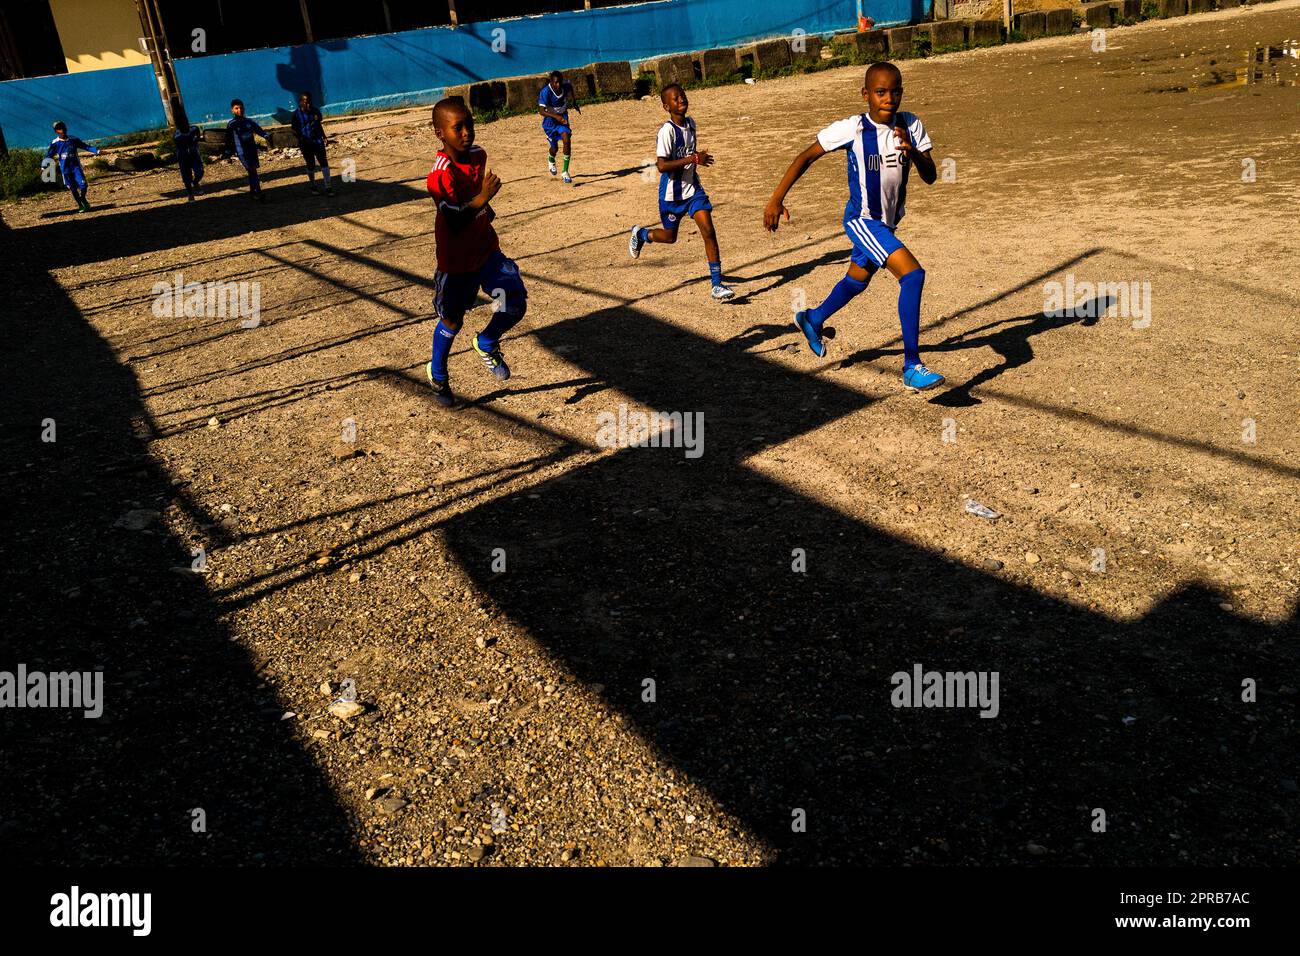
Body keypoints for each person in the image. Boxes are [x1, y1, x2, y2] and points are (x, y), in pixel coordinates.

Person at [763, 62, 945, 391]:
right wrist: (776, 199)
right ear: (866, 95)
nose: (889, 98)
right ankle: (912, 365)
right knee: (913, 275)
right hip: (862, 221)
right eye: (880, 92)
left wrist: (913, 150)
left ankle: (812, 318)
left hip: (888, 223)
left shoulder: (911, 124)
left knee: (856, 280)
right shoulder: (853, 129)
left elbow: (931, 176)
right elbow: (806, 156)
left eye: (895, 91)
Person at [424, 98, 528, 408]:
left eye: (470, 124)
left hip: (486, 252)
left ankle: (486, 341)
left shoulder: (478, 155)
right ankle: (438, 375)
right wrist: (483, 198)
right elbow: (454, 219)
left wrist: (487, 208)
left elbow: (476, 198)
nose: (467, 132)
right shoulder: (439, 173)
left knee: (514, 302)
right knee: (452, 322)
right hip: (456, 264)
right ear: (440, 133)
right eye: (458, 127)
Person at [627, 84, 735, 301]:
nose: (681, 100)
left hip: (693, 191)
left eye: (683, 96)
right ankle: (640, 234)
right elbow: (661, 166)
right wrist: (693, 159)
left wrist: (697, 157)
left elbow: (687, 153)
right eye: (676, 99)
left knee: (708, 230)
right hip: (671, 197)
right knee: (670, 237)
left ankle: (716, 285)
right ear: (667, 106)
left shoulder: (691, 124)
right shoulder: (666, 131)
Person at [43, 122, 98, 212]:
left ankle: (83, 198)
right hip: (65, 170)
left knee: (83, 185)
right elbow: (49, 155)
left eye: (63, 127)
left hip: (76, 167)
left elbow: (85, 146)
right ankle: (80, 205)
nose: (62, 130)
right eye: (59, 128)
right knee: (73, 188)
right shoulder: (55, 143)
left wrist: (97, 151)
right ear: (56, 131)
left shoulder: (73, 139)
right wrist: (43, 167)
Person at [221, 99, 269, 200]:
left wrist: (266, 136)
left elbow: (259, 130)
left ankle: (253, 192)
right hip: (242, 152)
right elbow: (228, 139)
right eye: (236, 108)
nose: (239, 110)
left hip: (252, 149)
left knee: (253, 171)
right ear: (232, 110)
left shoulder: (249, 122)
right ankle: (258, 192)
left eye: (241, 108)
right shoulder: (232, 124)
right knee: (251, 170)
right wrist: (227, 151)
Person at [538, 70, 579, 184]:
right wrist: (555, 116)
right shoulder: (545, 92)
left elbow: (570, 87)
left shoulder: (564, 86)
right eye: (555, 83)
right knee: (554, 149)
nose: (558, 85)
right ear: (551, 82)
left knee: (566, 139)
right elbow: (541, 111)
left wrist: (574, 102)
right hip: (550, 122)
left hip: (562, 119)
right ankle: (551, 158)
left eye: (560, 82)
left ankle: (565, 172)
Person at [291, 92, 333, 195]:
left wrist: (324, 137)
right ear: (301, 102)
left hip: (317, 140)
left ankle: (328, 186)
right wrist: (301, 139)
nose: (308, 104)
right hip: (305, 143)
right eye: (305, 102)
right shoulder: (296, 115)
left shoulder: (315, 111)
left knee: (323, 162)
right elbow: (293, 130)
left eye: (309, 102)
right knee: (311, 164)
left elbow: (318, 125)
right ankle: (313, 185)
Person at [173, 123, 205, 202]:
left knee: (200, 171)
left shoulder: (194, 129)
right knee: (186, 176)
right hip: (183, 156)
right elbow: (177, 144)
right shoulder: (177, 135)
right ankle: (190, 194)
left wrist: (196, 140)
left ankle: (195, 182)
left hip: (194, 154)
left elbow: (198, 135)